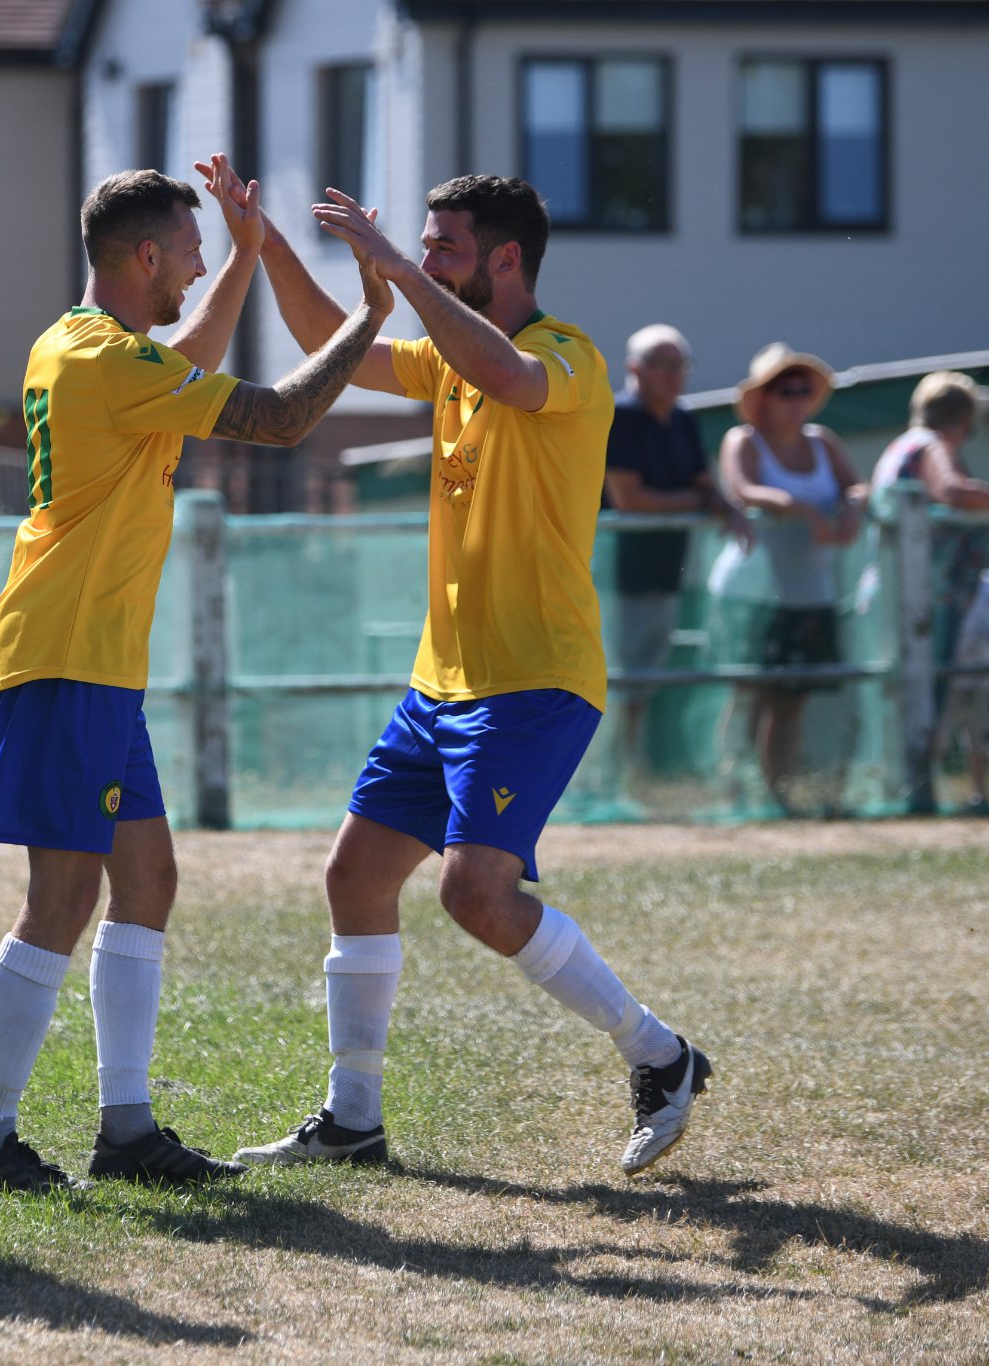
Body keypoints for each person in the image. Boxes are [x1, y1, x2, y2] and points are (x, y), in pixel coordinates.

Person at [221, 175, 709, 1178]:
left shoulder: (562, 354)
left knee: (473, 893)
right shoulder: (448, 356)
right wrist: (264, 243)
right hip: (438, 684)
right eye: (424, 244)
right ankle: (351, 1119)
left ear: (504, 260)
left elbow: (509, 376)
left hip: (531, 680)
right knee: (353, 876)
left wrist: (399, 275)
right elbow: (336, 346)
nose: (425, 256)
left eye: (444, 246)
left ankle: (659, 1055)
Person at [0, 159, 389, 1196]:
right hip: (65, 655)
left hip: (90, 658)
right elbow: (275, 417)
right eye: (185, 253)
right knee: (60, 897)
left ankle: (126, 1129)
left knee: (144, 880)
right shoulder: (108, 363)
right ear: (144, 256)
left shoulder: (80, 342)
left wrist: (237, 254)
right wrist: (365, 318)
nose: (192, 270)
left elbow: (186, 356)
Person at [715, 344, 868, 813]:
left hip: (809, 593)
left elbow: (856, 486)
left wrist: (853, 507)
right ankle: (735, 788)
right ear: (763, 396)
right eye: (785, 389)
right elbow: (744, 489)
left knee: (792, 698)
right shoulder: (743, 440)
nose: (796, 399)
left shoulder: (822, 441)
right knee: (750, 695)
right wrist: (802, 509)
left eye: (803, 389)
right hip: (753, 593)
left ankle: (779, 795)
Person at [602, 325, 746, 772]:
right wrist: (694, 502)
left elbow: (704, 485)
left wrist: (725, 508)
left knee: (646, 677)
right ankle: (608, 774)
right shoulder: (621, 415)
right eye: (661, 365)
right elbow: (630, 498)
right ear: (634, 369)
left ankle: (630, 770)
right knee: (616, 678)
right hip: (614, 576)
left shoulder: (683, 418)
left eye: (679, 365)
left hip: (665, 572)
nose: (672, 375)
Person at [870, 371, 989, 808]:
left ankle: (919, 789)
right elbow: (951, 490)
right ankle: (919, 793)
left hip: (905, 594)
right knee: (932, 696)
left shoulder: (900, 445)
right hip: (924, 599)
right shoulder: (930, 445)